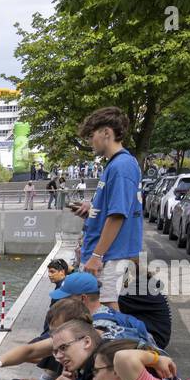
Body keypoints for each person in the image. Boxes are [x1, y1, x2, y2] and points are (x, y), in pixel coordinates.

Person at [70, 107, 143, 305]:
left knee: (104, 309)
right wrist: (91, 212)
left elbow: (118, 215)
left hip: (110, 256)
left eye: (91, 135)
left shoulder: (121, 166)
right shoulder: (115, 165)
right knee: (95, 308)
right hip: (106, 254)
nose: (89, 142)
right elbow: (113, 210)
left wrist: (96, 256)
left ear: (106, 133)